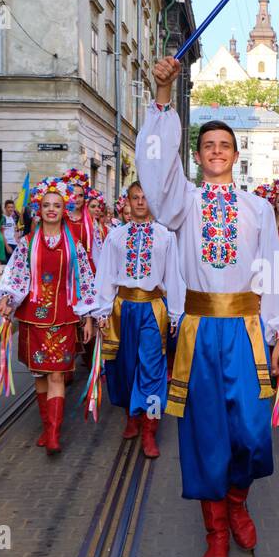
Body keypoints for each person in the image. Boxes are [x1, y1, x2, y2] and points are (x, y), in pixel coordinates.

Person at [140, 56, 279, 557]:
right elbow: (157, 178)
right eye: (207, 146)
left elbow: (274, 269)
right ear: (199, 155)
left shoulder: (256, 208)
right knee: (205, 431)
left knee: (251, 432)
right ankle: (214, 530)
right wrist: (163, 100)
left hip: (250, 330)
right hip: (200, 331)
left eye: (223, 145)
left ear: (235, 153)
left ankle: (238, 500)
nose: (215, 152)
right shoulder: (182, 202)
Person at [0, 178, 95, 455]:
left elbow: (84, 280)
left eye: (57, 205)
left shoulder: (75, 244)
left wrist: (87, 317)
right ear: (38, 209)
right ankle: (46, 425)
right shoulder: (27, 243)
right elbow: (17, 277)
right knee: (40, 374)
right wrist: (7, 298)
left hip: (64, 317)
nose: (51, 210)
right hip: (33, 318)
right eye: (46, 205)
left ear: (65, 209)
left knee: (56, 376)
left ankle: (53, 434)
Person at [89, 181, 184, 459]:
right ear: (127, 202)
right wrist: (102, 310)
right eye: (135, 197)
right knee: (125, 366)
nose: (141, 202)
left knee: (153, 372)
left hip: (154, 309)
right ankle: (132, 416)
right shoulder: (116, 237)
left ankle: (150, 430)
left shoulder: (166, 237)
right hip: (122, 308)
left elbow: (174, 277)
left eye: (145, 197)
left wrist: (176, 313)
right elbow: (105, 274)